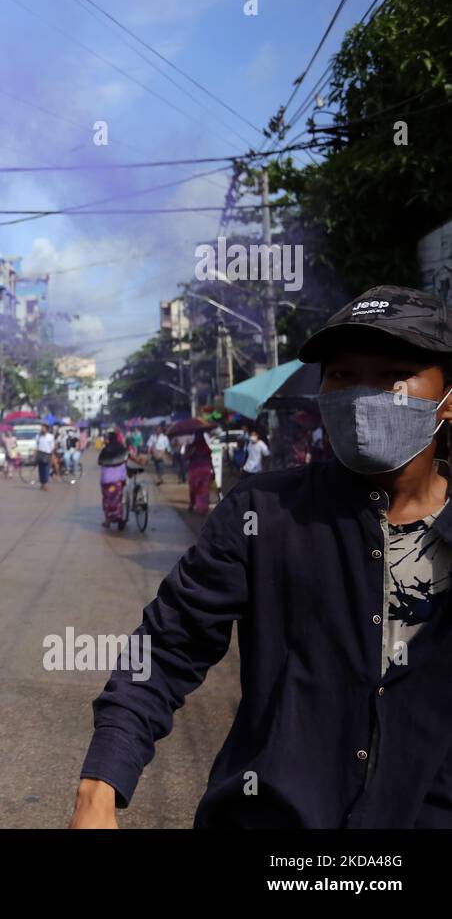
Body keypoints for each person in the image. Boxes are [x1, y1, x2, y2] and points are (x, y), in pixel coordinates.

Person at [72, 284, 452, 828]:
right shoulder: (263, 513)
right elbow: (165, 648)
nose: (366, 396)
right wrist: (99, 787)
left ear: (448, 396)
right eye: (343, 376)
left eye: (393, 375)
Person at [97, 431, 128, 526]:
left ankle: (108, 520)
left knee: (107, 500)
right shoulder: (122, 449)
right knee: (117, 500)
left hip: (106, 481)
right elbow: (126, 460)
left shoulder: (105, 450)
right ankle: (119, 518)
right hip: (118, 481)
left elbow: (100, 461)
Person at [186, 430, 214, 514]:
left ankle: (202, 508)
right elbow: (186, 456)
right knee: (195, 488)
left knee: (203, 489)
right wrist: (192, 452)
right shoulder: (191, 446)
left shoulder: (205, 446)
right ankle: (193, 504)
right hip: (195, 471)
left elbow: (210, 458)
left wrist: (213, 470)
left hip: (204, 470)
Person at [35, 423, 55, 490]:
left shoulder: (50, 437)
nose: (42, 429)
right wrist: (35, 453)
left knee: (46, 470)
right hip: (40, 454)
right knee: (40, 470)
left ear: (46, 429)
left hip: (47, 454)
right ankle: (42, 483)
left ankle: (45, 483)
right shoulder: (38, 436)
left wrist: (52, 455)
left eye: (43, 428)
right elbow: (36, 445)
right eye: (41, 428)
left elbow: (52, 447)